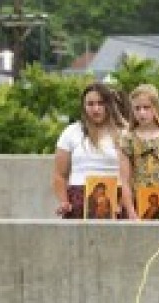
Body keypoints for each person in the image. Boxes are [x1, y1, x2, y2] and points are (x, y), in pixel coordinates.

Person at [52, 82, 127, 219]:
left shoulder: (124, 133)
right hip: (78, 197)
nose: (95, 109)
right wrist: (64, 202)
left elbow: (133, 174)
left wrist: (123, 202)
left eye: (100, 103)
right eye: (90, 104)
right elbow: (59, 175)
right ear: (84, 106)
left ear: (109, 105)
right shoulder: (71, 131)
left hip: (117, 200)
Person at [118, 84, 159, 221]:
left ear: (156, 108)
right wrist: (131, 211)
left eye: (146, 107)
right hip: (137, 204)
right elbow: (125, 180)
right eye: (137, 108)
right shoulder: (127, 139)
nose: (141, 113)